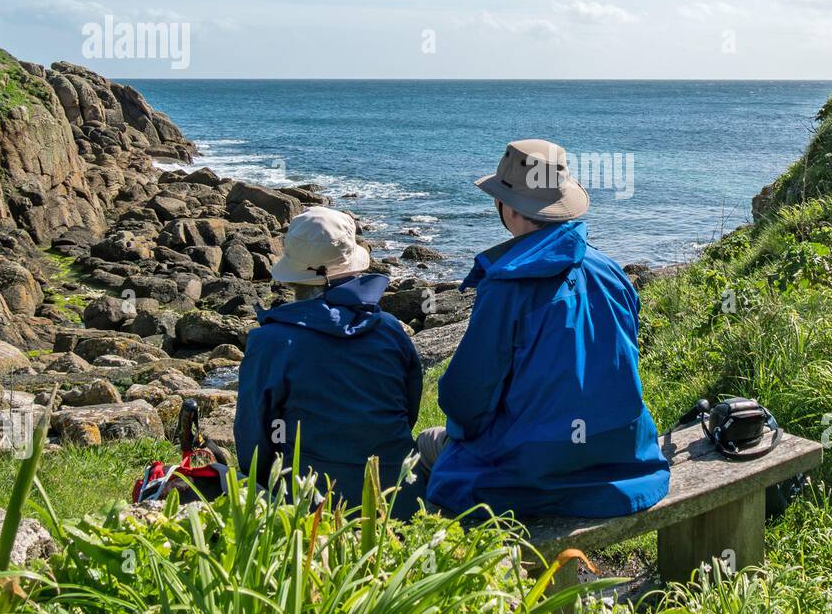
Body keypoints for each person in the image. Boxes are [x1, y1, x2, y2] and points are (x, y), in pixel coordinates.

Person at [419, 139, 670, 518]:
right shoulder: (612, 274)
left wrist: (459, 433)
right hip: (626, 462)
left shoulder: (506, 286)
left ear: (510, 208)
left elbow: (466, 399)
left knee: (427, 445)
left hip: (532, 471)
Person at [235, 206, 423, 516]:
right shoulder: (389, 328)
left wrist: (263, 484)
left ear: (294, 275)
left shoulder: (271, 341)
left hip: (311, 508)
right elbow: (408, 409)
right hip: (398, 498)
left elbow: (254, 436)